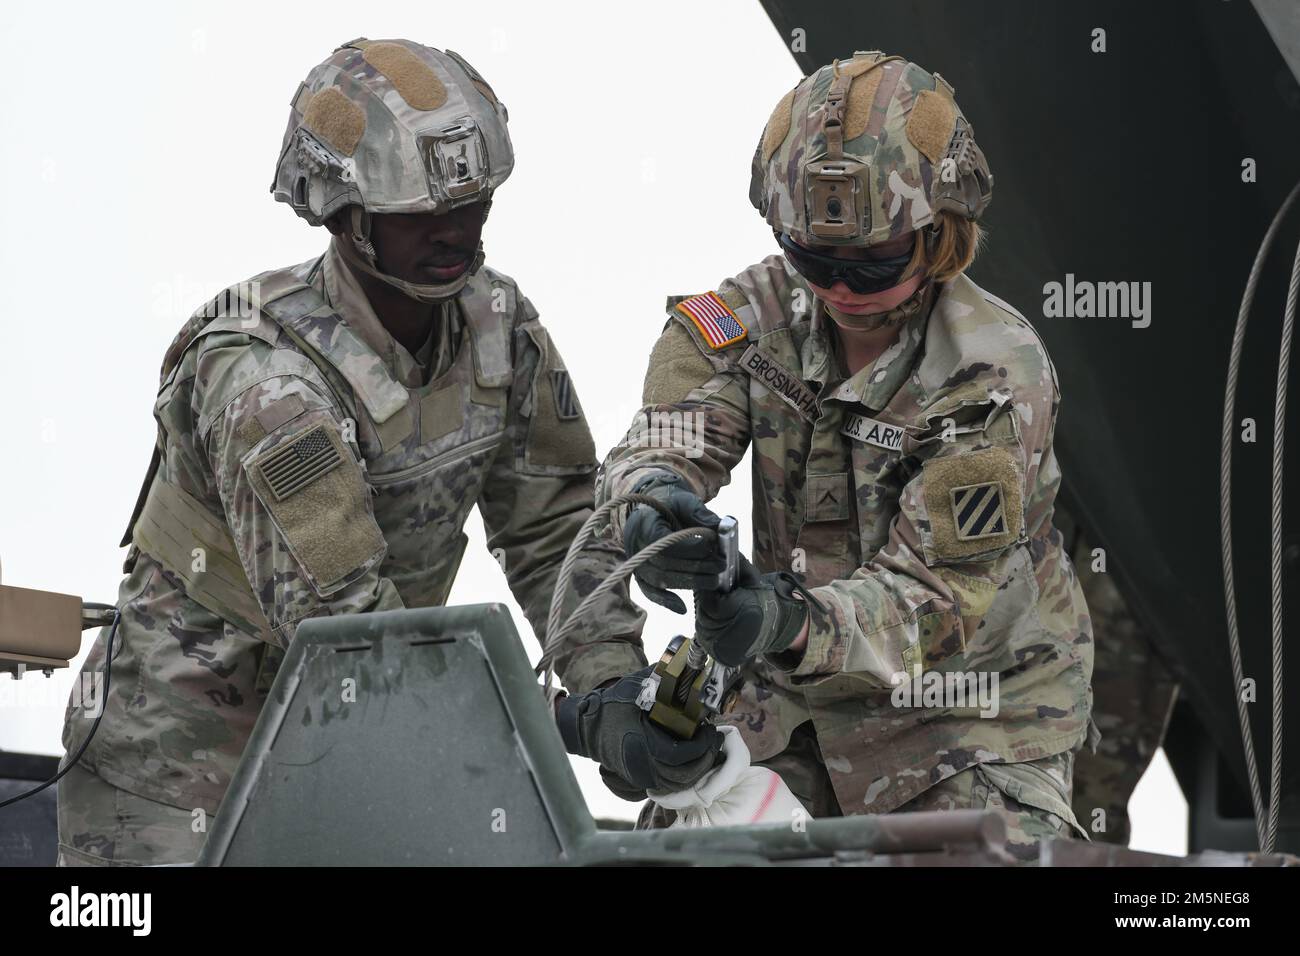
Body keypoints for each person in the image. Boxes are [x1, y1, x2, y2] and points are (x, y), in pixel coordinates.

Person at [56, 37, 646, 866]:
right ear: (343, 215)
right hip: (177, 770)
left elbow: (554, 531)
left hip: (358, 752)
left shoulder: (499, 327)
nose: (456, 231)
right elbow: (348, 633)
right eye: (420, 214)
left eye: (474, 203)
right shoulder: (265, 377)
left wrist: (615, 685)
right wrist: (558, 724)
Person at [589, 52, 1097, 859]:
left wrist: (786, 619)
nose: (842, 291)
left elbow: (933, 602)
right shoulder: (743, 319)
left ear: (940, 235)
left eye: (873, 264)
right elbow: (668, 436)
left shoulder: (992, 374)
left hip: (964, 717)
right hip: (788, 701)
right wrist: (653, 501)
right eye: (814, 261)